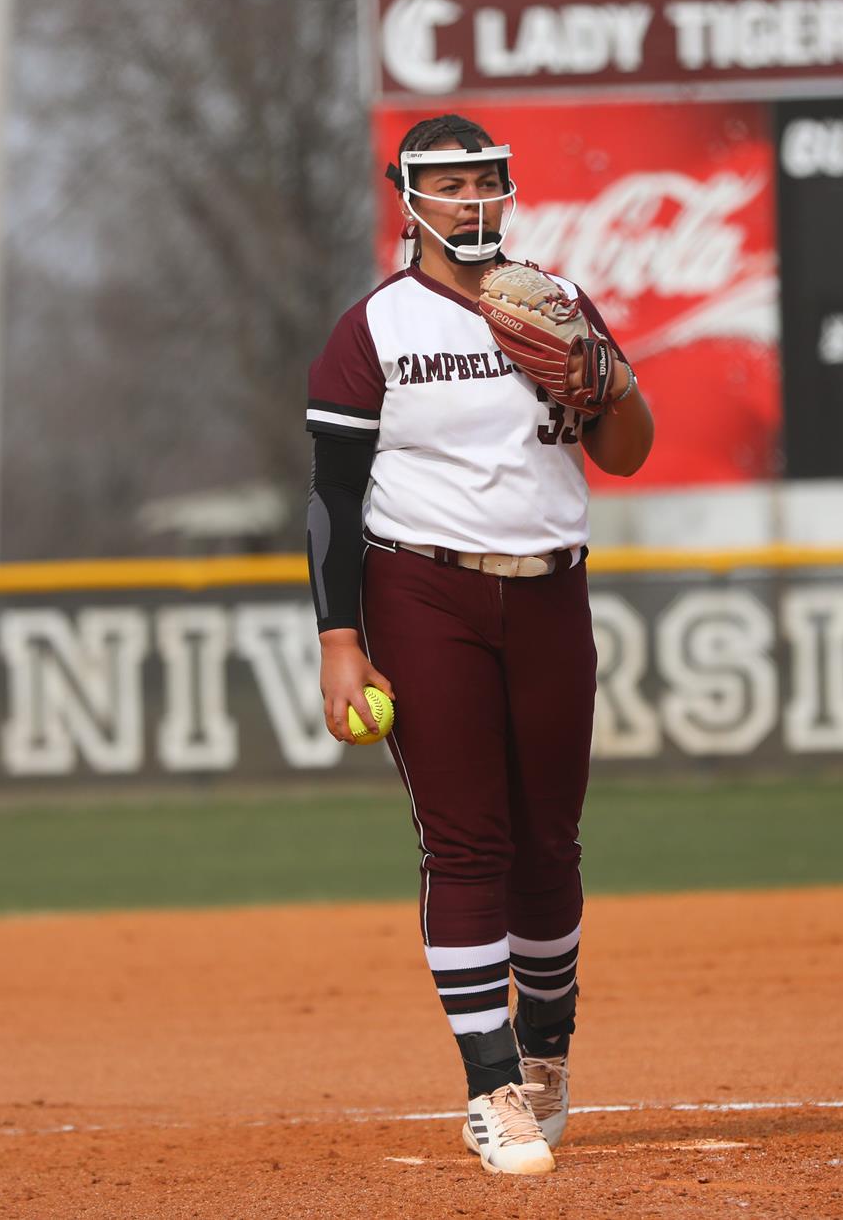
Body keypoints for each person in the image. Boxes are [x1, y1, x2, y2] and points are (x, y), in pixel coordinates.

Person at [303, 113, 654, 1176]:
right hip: (424, 591)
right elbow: (329, 497)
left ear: (504, 190)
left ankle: (546, 1058)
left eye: (482, 181)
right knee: (467, 842)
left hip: (551, 589)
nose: (468, 200)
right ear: (406, 197)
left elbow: (629, 452)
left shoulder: (554, 304)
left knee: (549, 842)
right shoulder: (373, 328)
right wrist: (338, 641)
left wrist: (602, 378)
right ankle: (489, 1085)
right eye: (445, 184)